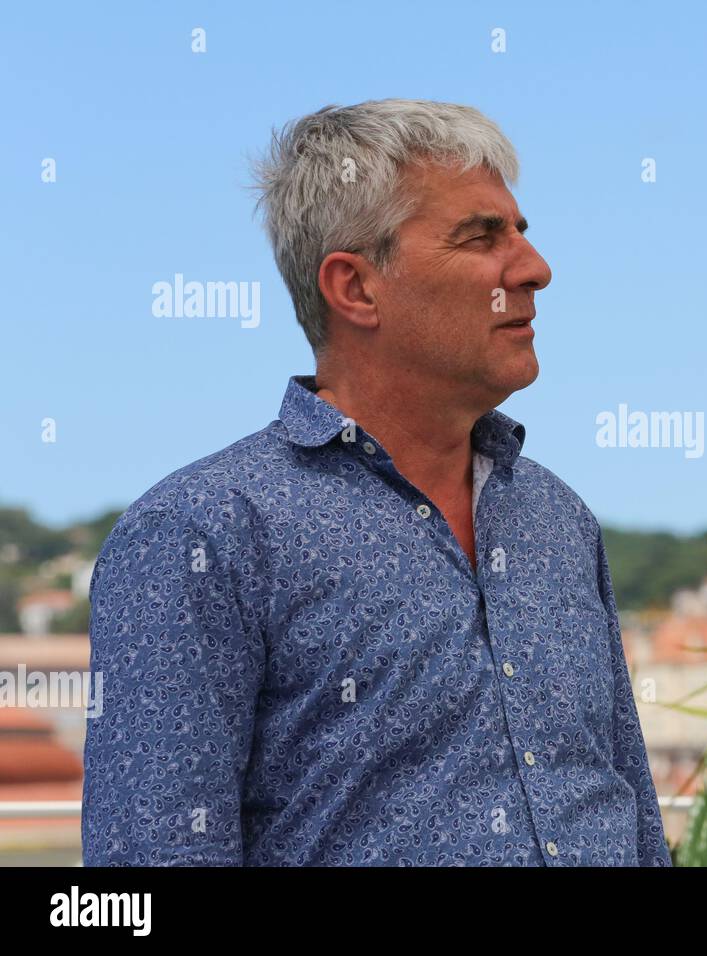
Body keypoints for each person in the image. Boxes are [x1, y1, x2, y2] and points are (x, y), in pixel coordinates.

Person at [82, 99, 671, 866]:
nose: (534, 268)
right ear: (355, 288)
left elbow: (630, 809)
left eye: (521, 232)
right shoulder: (202, 533)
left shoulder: (558, 519)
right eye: (482, 236)